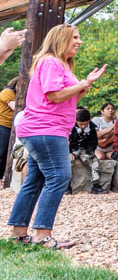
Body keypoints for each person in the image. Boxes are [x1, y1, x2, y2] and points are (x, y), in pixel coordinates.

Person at [7, 24, 106, 248]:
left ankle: (19, 233)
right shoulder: (51, 61)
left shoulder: (60, 64)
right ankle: (43, 236)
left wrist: (84, 86)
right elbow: (53, 96)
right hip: (46, 130)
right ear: (61, 39)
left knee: (35, 180)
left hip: (43, 129)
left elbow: (65, 101)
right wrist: (81, 84)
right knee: (59, 177)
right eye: (75, 37)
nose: (79, 42)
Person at [68, 108, 101, 193]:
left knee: (95, 162)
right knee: (67, 163)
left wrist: (90, 151)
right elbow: (65, 140)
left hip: (84, 151)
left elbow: (93, 142)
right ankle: (66, 186)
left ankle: (96, 185)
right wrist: (68, 152)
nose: (83, 126)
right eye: (81, 124)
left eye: (85, 124)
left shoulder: (92, 128)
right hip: (71, 151)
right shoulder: (69, 126)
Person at [0, 76, 17, 172]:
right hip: (3, 125)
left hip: (12, 126)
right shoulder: (7, 92)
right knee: (1, 152)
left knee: (7, 153)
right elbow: (16, 107)